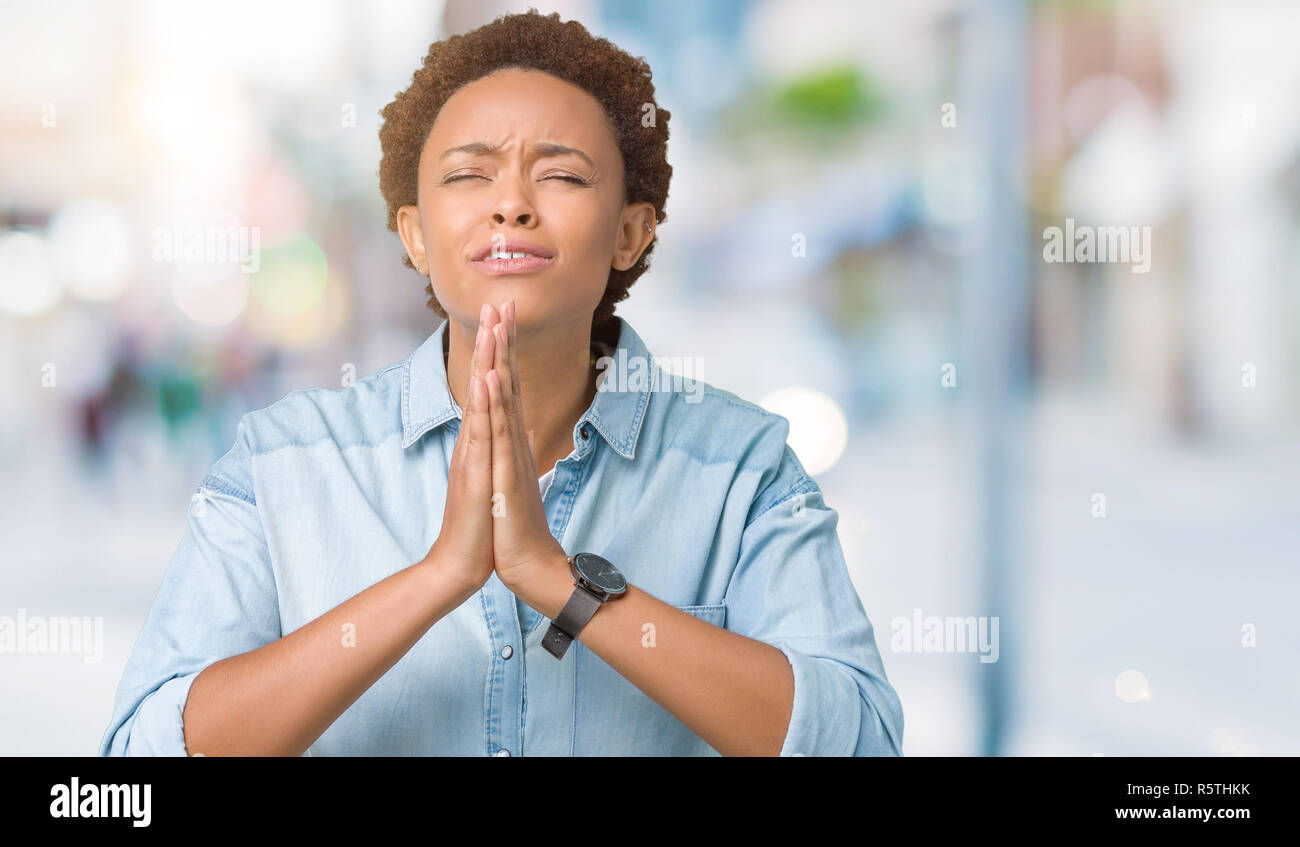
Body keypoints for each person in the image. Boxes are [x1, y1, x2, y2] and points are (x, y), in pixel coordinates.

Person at [99, 9, 903, 757]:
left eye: (561, 176)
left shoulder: (744, 471)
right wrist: (436, 577)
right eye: (468, 176)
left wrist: (560, 584)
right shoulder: (283, 464)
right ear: (414, 235)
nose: (511, 205)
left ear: (631, 231)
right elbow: (136, 760)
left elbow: (862, 739)